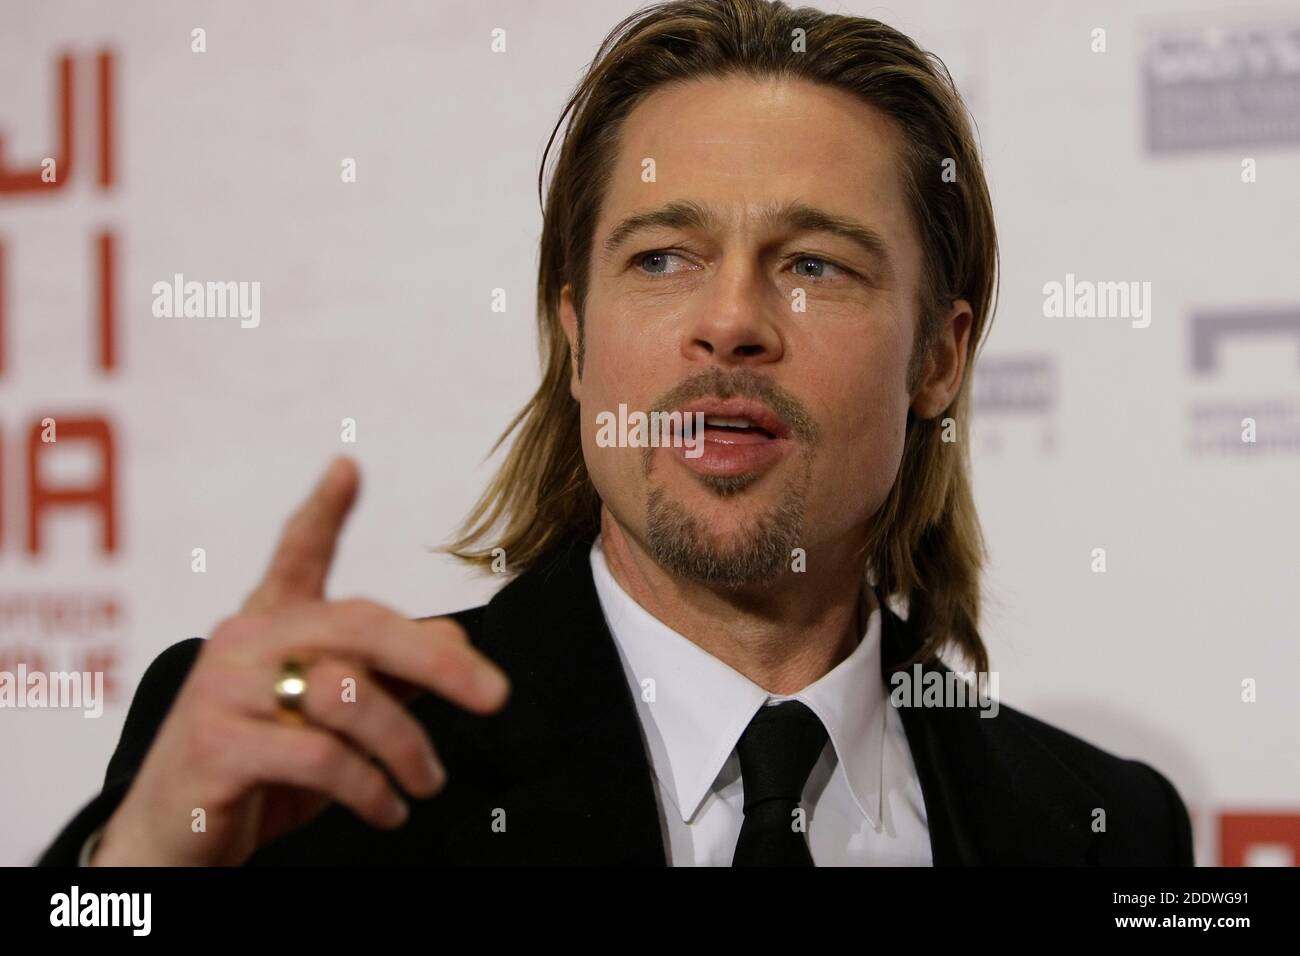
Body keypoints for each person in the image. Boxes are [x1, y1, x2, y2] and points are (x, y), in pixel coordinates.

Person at [39, 0, 1193, 866]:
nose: (731, 321)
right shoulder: (317, 770)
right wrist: (131, 864)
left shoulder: (1106, 828)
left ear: (937, 357)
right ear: (578, 342)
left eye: (812, 263)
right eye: (662, 258)